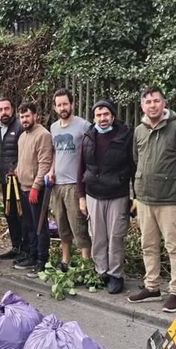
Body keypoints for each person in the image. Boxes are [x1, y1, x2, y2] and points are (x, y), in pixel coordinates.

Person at [128, 87, 176, 312]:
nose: (152, 105)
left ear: (164, 103)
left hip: (170, 200)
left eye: (156, 101)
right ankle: (152, 286)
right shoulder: (139, 131)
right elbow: (136, 159)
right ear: (142, 106)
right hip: (145, 198)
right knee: (148, 245)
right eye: (148, 102)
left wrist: (172, 180)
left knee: (174, 246)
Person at [77, 100, 135, 294]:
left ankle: (116, 275)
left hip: (117, 194)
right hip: (93, 194)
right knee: (98, 236)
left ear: (112, 116)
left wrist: (134, 196)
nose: (102, 119)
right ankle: (101, 271)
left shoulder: (125, 136)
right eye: (99, 115)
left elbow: (134, 167)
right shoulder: (88, 137)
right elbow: (81, 168)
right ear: (94, 118)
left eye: (106, 115)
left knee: (116, 236)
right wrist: (81, 196)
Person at [47, 88, 92, 272]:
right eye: (59, 105)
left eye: (65, 104)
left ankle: (85, 264)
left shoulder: (84, 126)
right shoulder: (54, 127)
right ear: (55, 108)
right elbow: (55, 152)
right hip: (58, 185)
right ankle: (65, 260)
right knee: (62, 225)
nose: (62, 107)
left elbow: (89, 153)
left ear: (72, 104)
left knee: (78, 225)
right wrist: (51, 171)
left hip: (75, 185)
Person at [13, 101, 53, 275]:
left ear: (35, 115)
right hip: (23, 187)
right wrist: (17, 171)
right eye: (22, 117)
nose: (24, 119)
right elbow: (25, 160)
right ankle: (32, 254)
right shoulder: (22, 136)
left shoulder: (43, 135)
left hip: (36, 190)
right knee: (28, 225)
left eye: (27, 116)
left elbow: (45, 163)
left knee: (39, 226)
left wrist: (36, 186)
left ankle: (42, 260)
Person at [0, 97, 23, 260]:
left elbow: (25, 150)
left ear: (12, 110)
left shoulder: (20, 127)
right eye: (0, 109)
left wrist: (16, 168)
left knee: (22, 214)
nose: (3, 112)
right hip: (4, 181)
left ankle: (26, 248)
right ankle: (15, 246)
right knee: (9, 213)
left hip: (19, 179)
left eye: (6, 109)